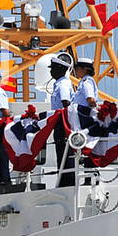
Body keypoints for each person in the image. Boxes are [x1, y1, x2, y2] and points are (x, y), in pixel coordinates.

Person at [47, 51, 76, 187]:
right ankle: (63, 178)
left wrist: (64, 122)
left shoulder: (63, 84)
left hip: (63, 122)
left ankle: (67, 181)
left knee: (64, 151)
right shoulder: (59, 84)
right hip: (59, 121)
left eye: (53, 68)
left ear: (60, 69)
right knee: (61, 151)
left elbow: (66, 103)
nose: (51, 71)